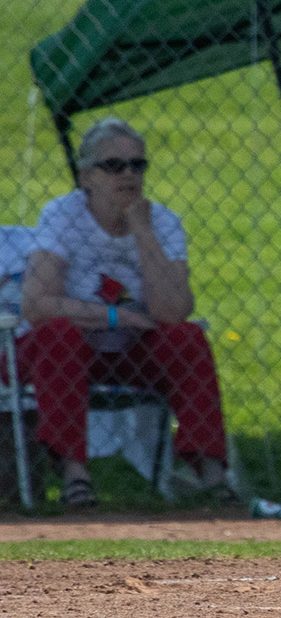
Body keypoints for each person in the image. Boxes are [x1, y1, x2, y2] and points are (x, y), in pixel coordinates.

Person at [17, 118, 230, 508]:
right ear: (87, 177)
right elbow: (37, 305)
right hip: (67, 352)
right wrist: (118, 317)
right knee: (57, 335)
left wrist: (142, 232)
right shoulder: (63, 215)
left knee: (188, 339)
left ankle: (210, 472)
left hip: (134, 353)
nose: (128, 174)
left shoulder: (162, 222)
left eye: (138, 165)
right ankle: (74, 475)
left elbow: (173, 311)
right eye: (114, 166)